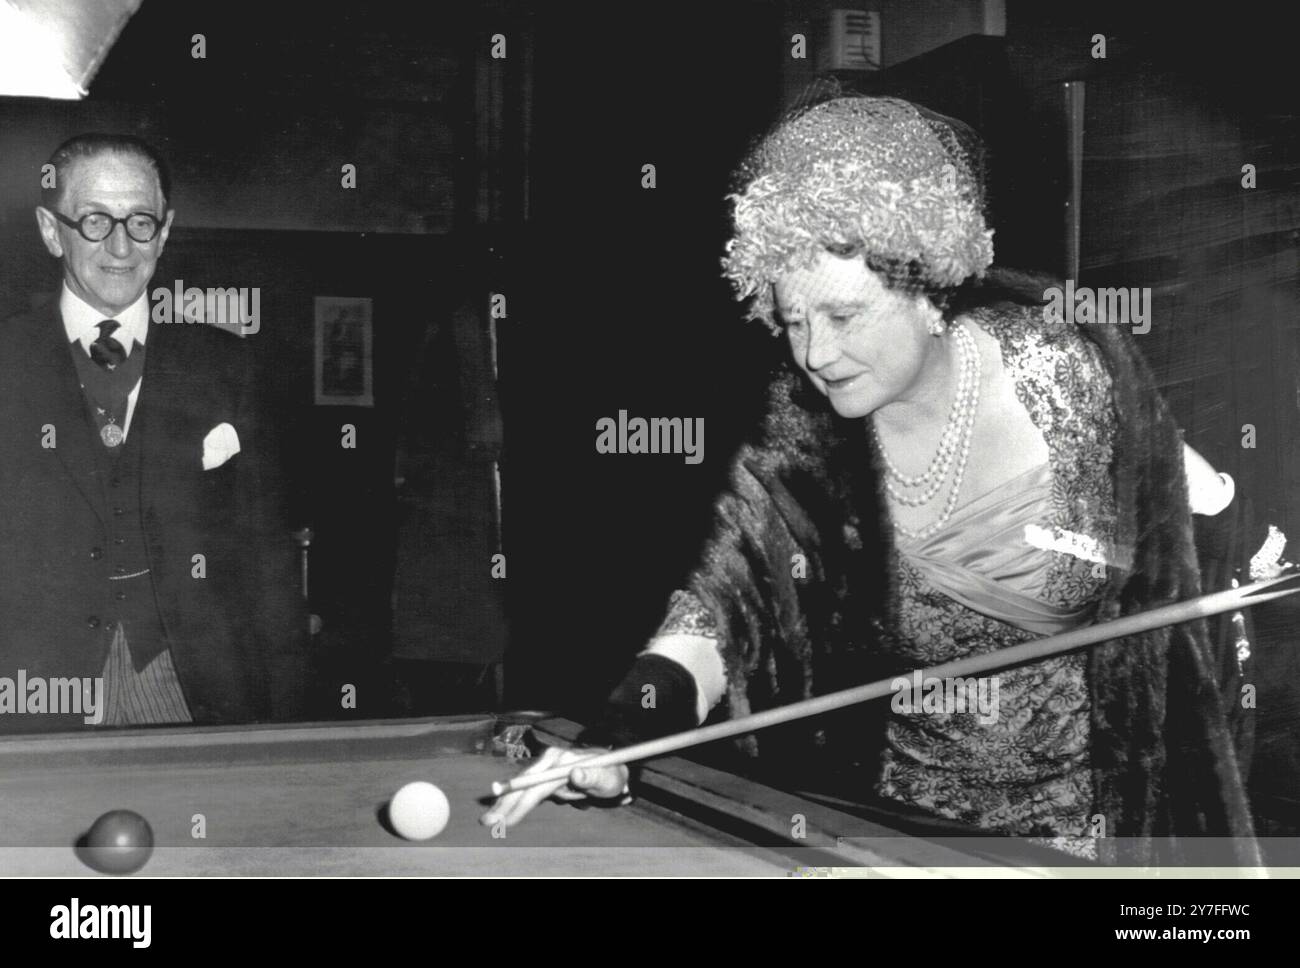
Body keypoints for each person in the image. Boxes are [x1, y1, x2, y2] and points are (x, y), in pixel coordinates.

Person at [484, 95, 1260, 866]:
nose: (814, 353)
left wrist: (1226, 517)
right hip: (889, 842)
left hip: (1077, 849)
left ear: (927, 290)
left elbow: (1207, 569)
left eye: (845, 317)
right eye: (792, 321)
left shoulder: (1069, 383)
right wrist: (623, 733)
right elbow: (722, 608)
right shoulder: (808, 430)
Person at [0, 133, 306, 731]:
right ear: (49, 229)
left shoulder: (228, 368)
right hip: (32, 691)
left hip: (193, 687)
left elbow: (269, 564)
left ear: (164, 233)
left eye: (140, 221)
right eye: (94, 220)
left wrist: (291, 726)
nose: (120, 245)